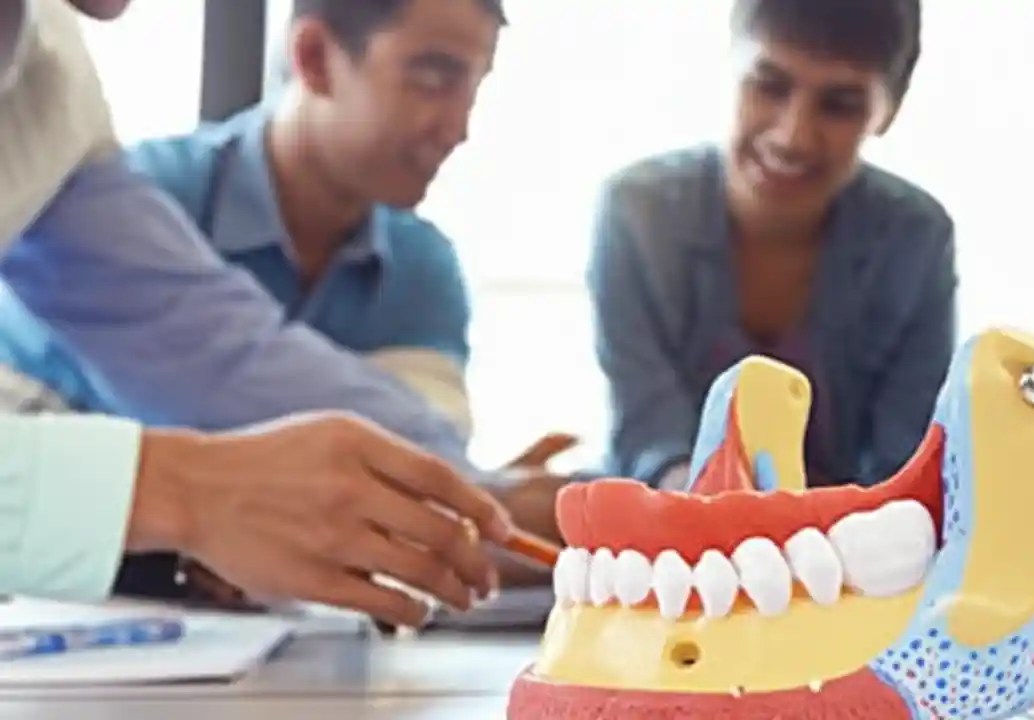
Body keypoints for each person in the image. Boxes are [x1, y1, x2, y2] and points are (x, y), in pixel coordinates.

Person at [0, 0, 569, 599]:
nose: (459, 129)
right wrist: (185, 490)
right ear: (314, 59)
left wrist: (472, 493)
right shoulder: (166, 177)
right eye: (431, 77)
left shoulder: (53, 81)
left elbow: (206, 344)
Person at [587, 0, 957, 490]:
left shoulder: (916, 239)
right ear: (731, 65)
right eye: (769, 85)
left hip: (840, 552)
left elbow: (902, 468)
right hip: (663, 539)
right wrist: (718, 525)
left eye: (839, 105)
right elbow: (648, 435)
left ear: (887, 112)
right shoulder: (637, 211)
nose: (792, 136)